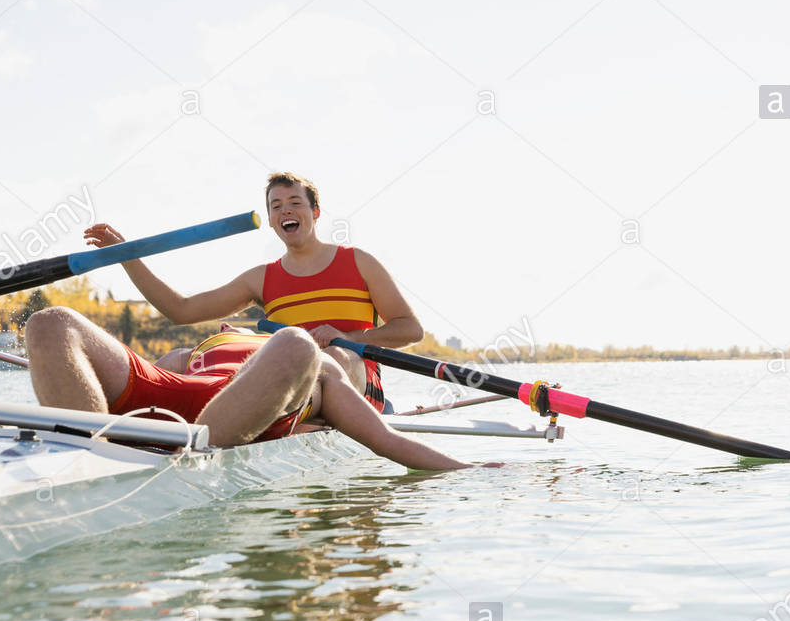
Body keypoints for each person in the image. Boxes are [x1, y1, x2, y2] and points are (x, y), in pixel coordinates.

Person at [85, 171, 421, 412]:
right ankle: (118, 422)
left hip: (356, 379)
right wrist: (126, 256)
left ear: (315, 213)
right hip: (287, 384)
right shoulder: (261, 279)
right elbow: (181, 310)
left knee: (330, 358)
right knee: (179, 358)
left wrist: (345, 336)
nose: (285, 210)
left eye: (294, 203)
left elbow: (409, 329)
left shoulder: (359, 261)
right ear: (273, 222)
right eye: (276, 206)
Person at [23, 306, 473, 471]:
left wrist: (467, 468)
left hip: (231, 418)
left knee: (297, 341)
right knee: (50, 322)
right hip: (181, 392)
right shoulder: (202, 348)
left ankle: (185, 462)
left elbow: (386, 439)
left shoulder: (324, 371)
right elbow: (159, 381)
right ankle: (83, 455)